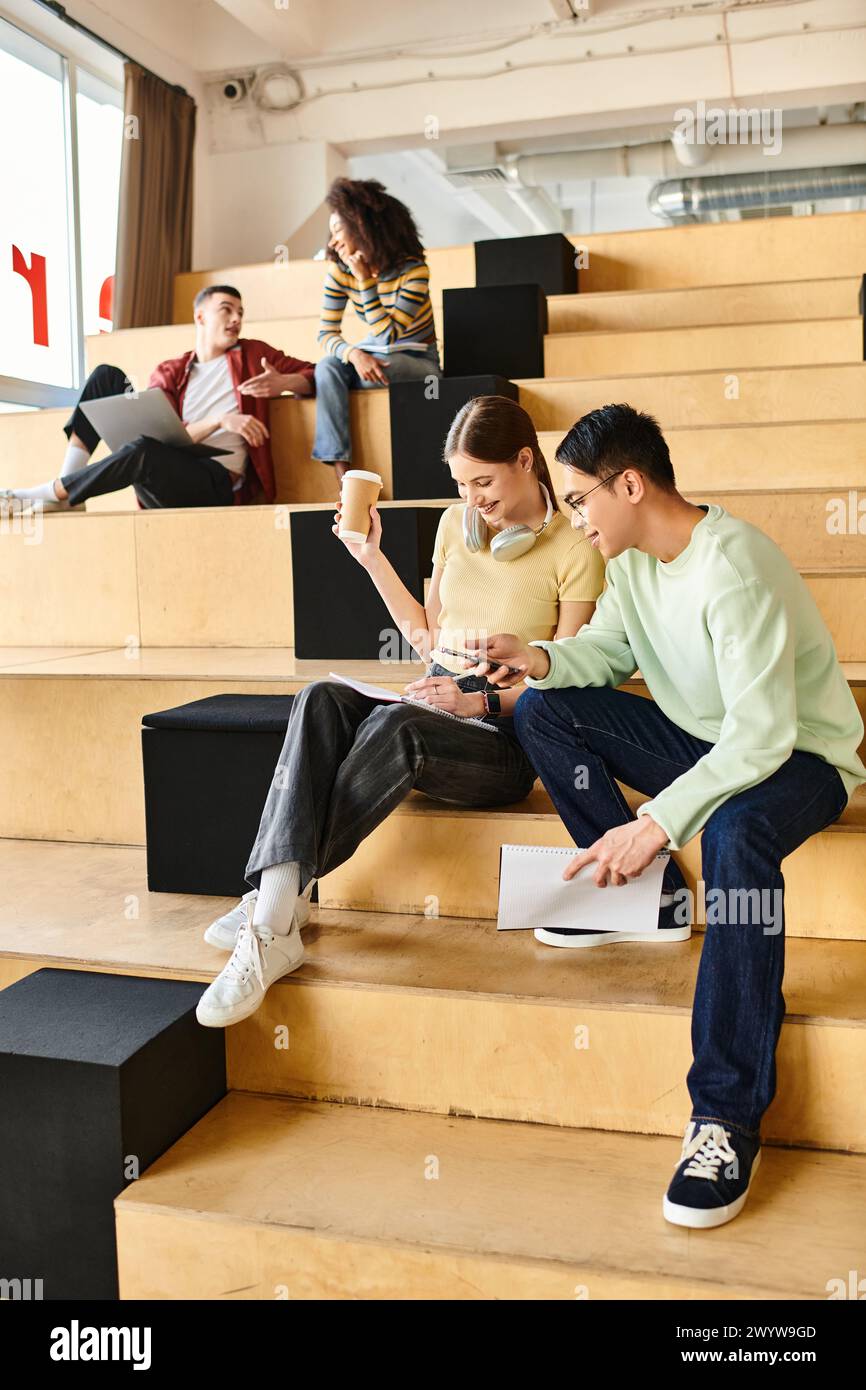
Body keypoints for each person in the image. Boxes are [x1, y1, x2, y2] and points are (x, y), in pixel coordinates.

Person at [461, 402, 866, 1231]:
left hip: (801, 758)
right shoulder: (635, 560)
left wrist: (653, 826)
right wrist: (533, 657)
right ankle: (653, 903)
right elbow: (605, 654)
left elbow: (760, 739)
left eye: (579, 502)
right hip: (712, 742)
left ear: (631, 485)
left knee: (735, 831)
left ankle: (723, 1117)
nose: (574, 519)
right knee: (545, 708)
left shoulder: (734, 567)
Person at [195, 395, 605, 1029]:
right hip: (435, 702)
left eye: (483, 481)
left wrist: (474, 699)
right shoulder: (452, 527)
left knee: (397, 723)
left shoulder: (577, 549)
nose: (472, 499)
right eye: (461, 484)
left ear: (526, 460)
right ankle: (278, 910)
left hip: (504, 733)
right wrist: (371, 556)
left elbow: (567, 683)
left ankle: (271, 907)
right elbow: (426, 634)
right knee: (321, 699)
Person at [0, 286, 315, 515]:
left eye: (241, 313)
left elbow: (314, 373)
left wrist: (283, 382)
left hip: (215, 484)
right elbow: (168, 437)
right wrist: (220, 420)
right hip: (169, 467)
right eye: (227, 310)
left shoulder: (254, 354)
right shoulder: (172, 371)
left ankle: (49, 494)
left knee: (145, 451)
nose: (236, 319)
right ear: (200, 316)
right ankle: (70, 492)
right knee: (106, 376)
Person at [313, 177, 442, 485]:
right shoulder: (339, 271)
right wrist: (354, 354)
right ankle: (342, 472)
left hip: (419, 361)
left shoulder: (414, 272)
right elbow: (325, 333)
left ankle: (311, 383)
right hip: (370, 355)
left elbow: (388, 336)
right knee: (327, 366)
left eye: (338, 232)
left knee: (332, 378)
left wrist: (364, 281)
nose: (332, 243)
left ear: (363, 228)